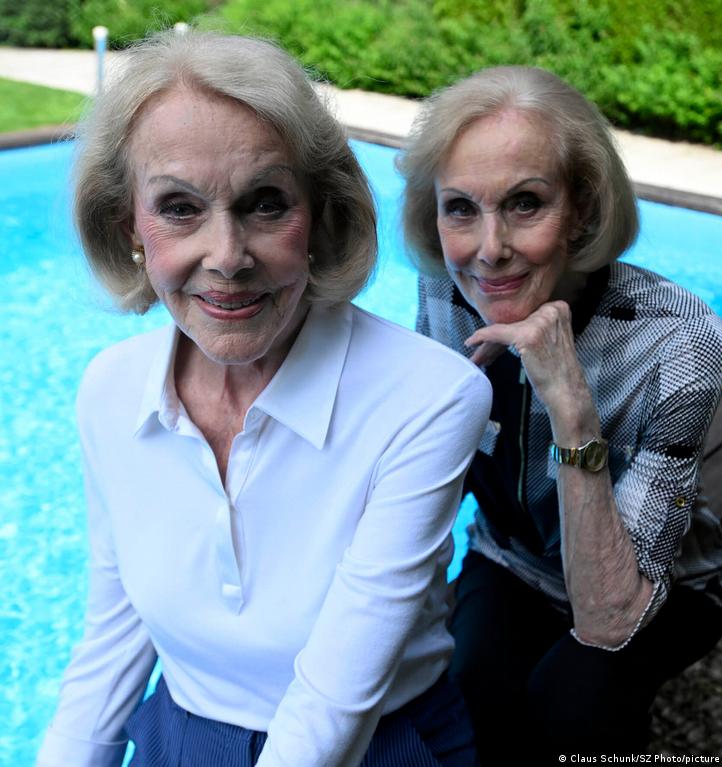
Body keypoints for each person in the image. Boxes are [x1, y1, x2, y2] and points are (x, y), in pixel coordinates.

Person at [36, 31, 493, 767]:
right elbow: (115, 636)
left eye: (265, 203)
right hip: (181, 735)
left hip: (378, 744)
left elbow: (334, 698)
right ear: (130, 228)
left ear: (319, 216)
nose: (227, 257)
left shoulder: (431, 397)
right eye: (179, 208)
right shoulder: (109, 390)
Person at [397, 65, 722, 763]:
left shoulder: (679, 339)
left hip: (664, 585)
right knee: (466, 697)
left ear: (582, 208)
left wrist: (571, 405)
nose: (488, 249)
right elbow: (429, 467)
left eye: (525, 203)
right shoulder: (447, 290)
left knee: (572, 710)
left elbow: (611, 616)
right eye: (459, 208)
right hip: (512, 558)